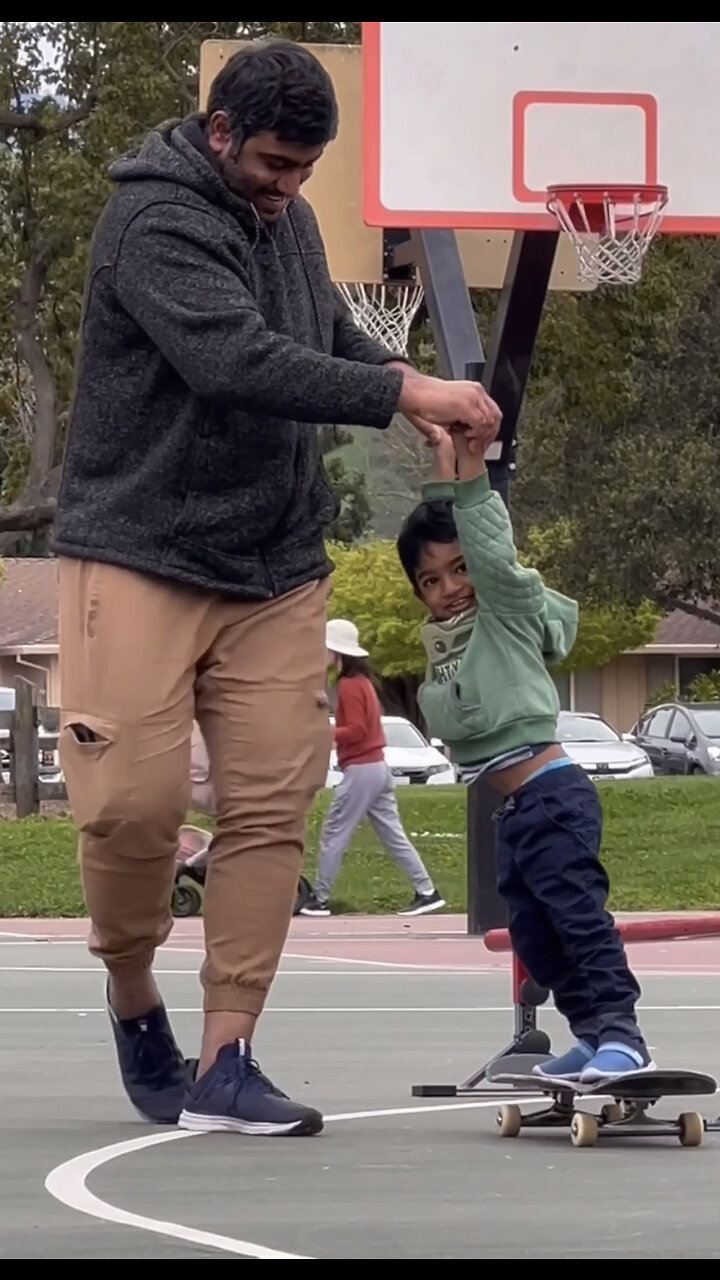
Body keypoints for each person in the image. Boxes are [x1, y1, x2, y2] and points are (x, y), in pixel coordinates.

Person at [52, 38, 500, 1139]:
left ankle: (227, 1058)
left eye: (305, 170)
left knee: (268, 804)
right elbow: (237, 361)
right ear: (219, 134)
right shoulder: (153, 222)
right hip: (141, 548)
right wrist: (407, 393)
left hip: (276, 562)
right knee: (133, 805)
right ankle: (132, 989)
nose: (290, 188)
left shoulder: (287, 221)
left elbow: (322, 335)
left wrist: (402, 381)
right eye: (274, 164)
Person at [394, 427, 656, 1084]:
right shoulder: (446, 641)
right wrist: (440, 470)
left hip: (552, 796)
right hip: (514, 812)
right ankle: (591, 1033)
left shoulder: (503, 613)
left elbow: (483, 542)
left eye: (460, 571)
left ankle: (624, 1034)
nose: (450, 587)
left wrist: (471, 466)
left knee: (577, 918)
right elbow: (444, 531)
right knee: (536, 937)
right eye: (431, 580)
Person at [301, 618, 445, 918]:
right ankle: (427, 892)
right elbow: (366, 723)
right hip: (377, 767)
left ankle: (320, 899)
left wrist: (323, 734)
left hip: (361, 769)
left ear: (337, 653)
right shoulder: (362, 683)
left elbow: (357, 730)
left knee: (334, 831)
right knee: (393, 835)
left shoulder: (348, 686)